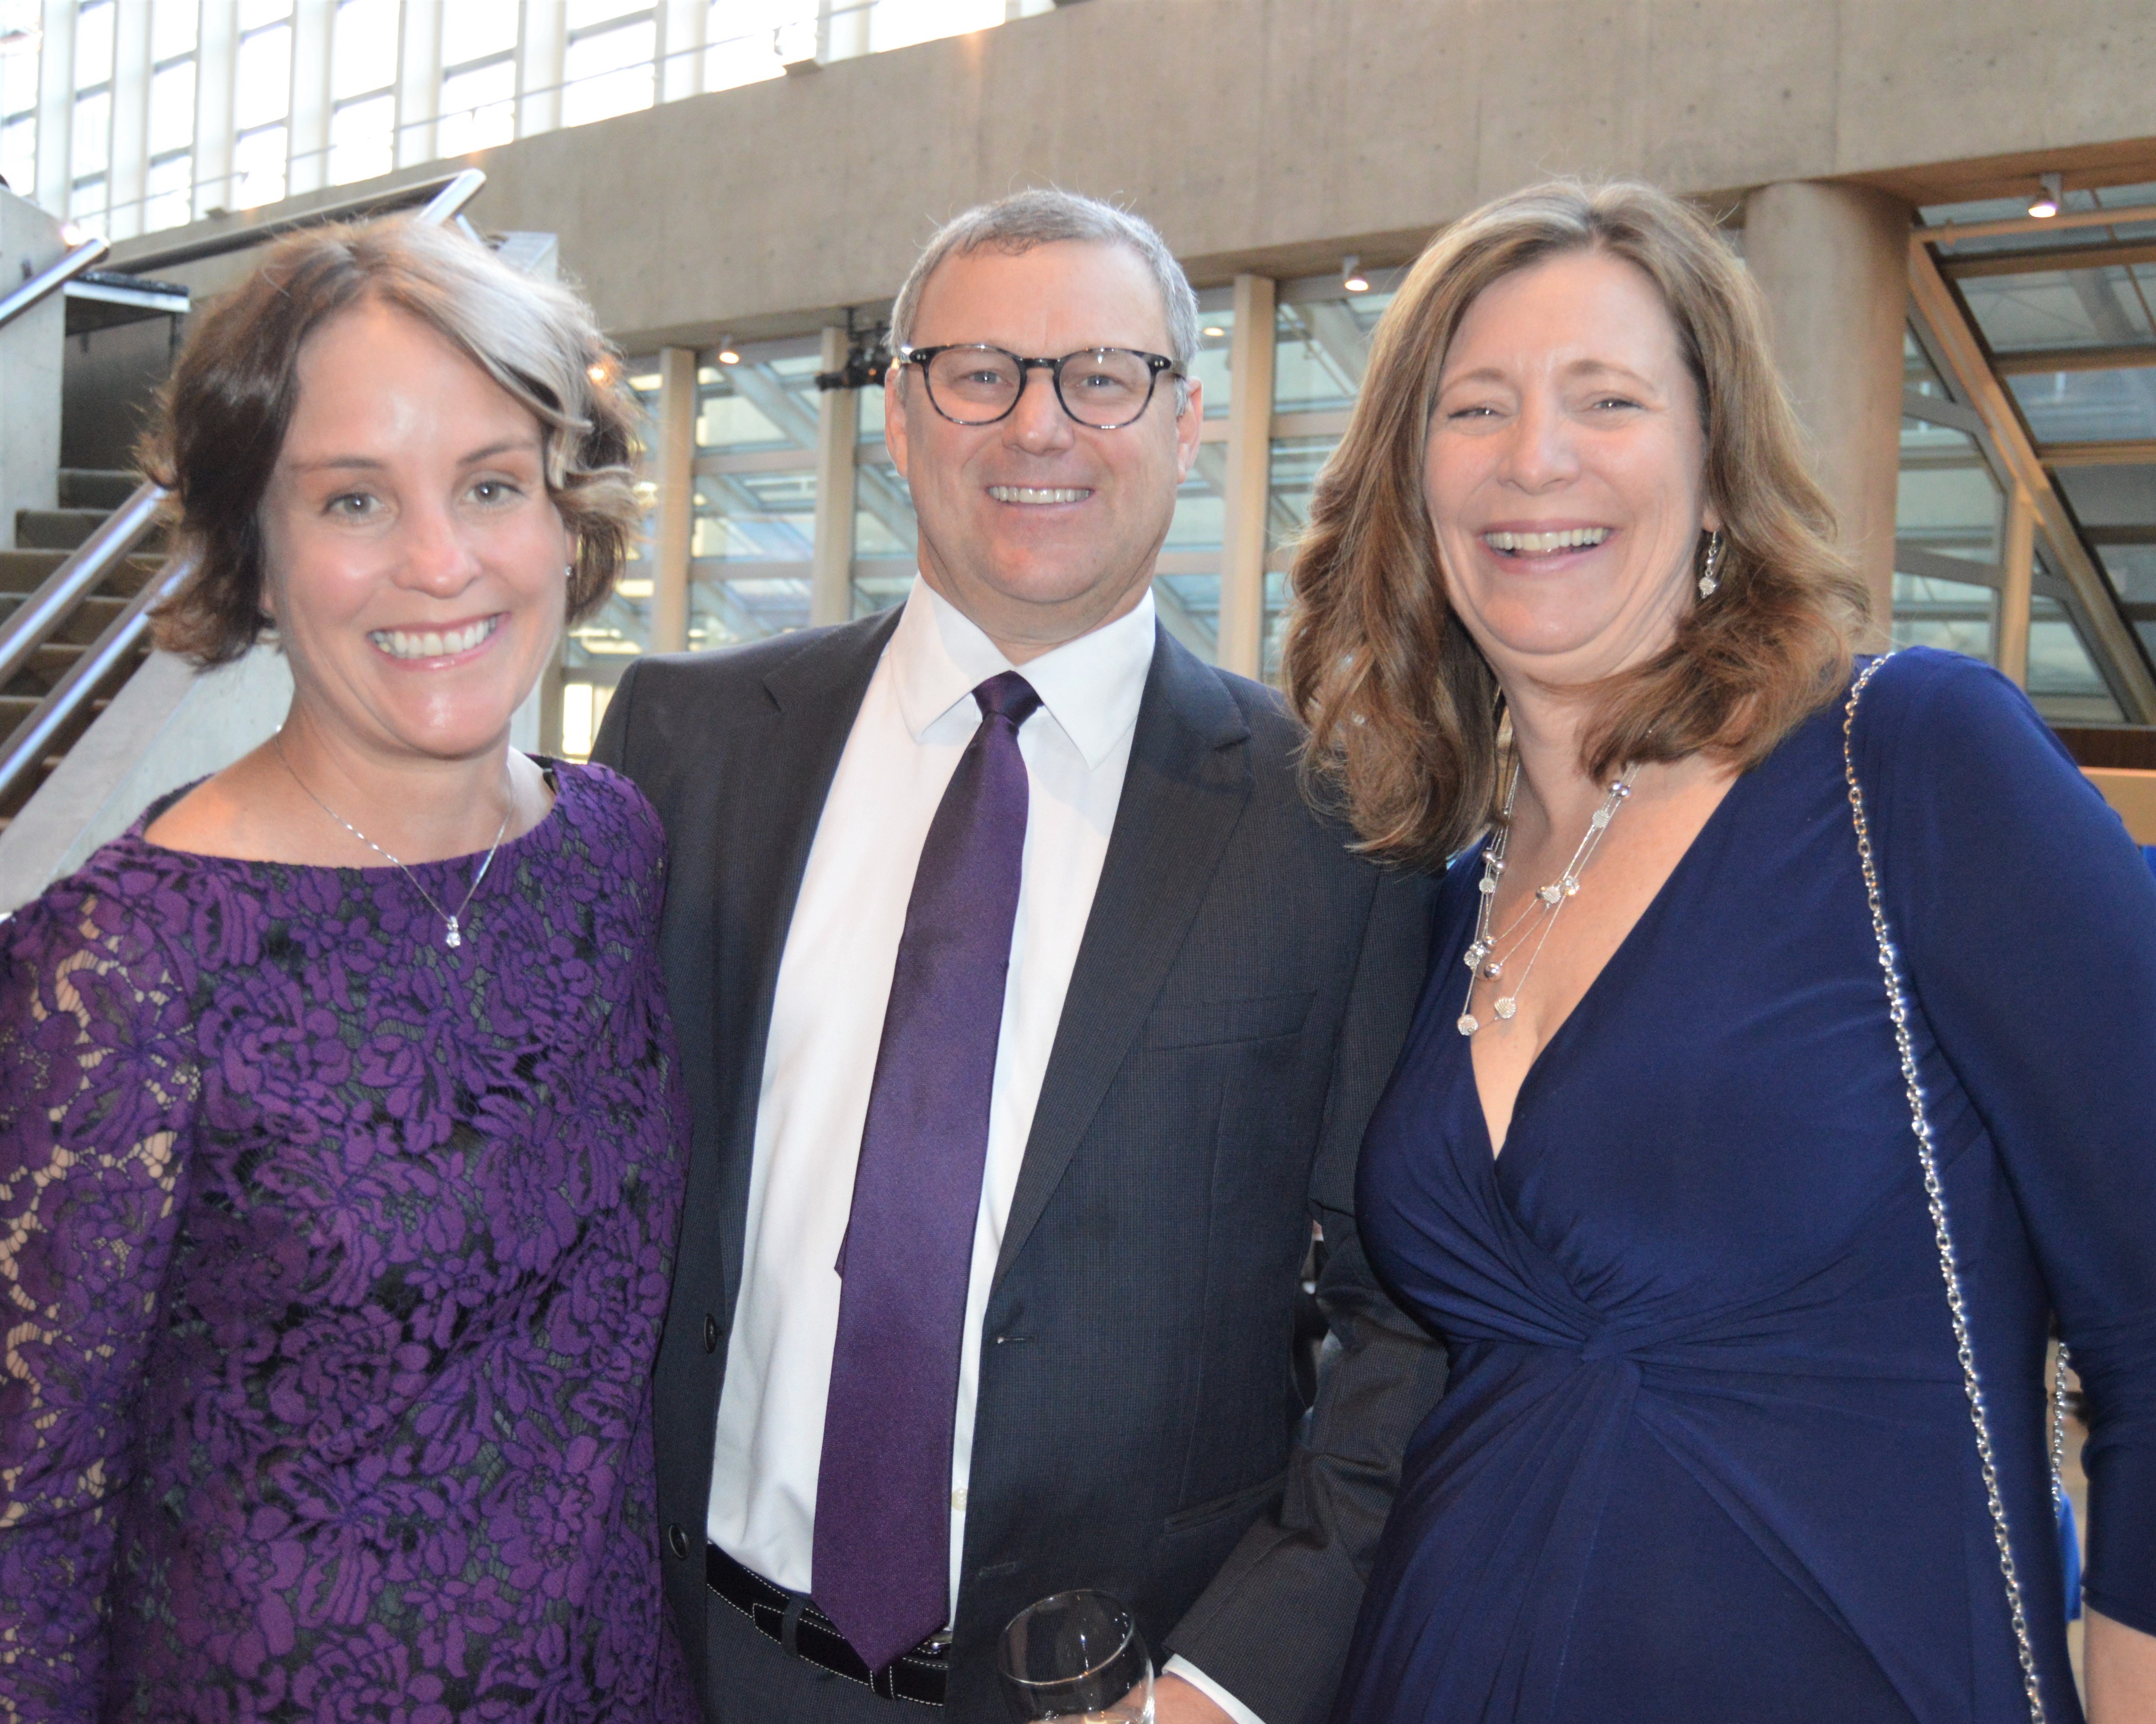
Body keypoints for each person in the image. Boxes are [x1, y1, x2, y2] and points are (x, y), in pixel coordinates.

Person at [1283, 178, 2156, 1723]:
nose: (1534, 457)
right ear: (1413, 488)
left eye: (1605, 398)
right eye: (1473, 408)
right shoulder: (1443, 895)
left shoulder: (1912, 766)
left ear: (1713, 465)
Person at [592, 189, 1448, 1724]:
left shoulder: (1337, 823)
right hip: (694, 1663)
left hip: (1115, 1693)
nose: (1039, 425)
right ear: (905, 417)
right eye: (978, 372)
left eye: (1102, 375)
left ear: (1185, 425)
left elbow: (1405, 1310)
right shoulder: (685, 745)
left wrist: (1231, 1681)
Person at [0, 220, 698, 1720]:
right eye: (357, 499)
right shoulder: (115, 968)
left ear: (565, 514)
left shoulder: (610, 850)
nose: (442, 563)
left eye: (494, 484)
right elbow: (23, 1532)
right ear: (253, 536)